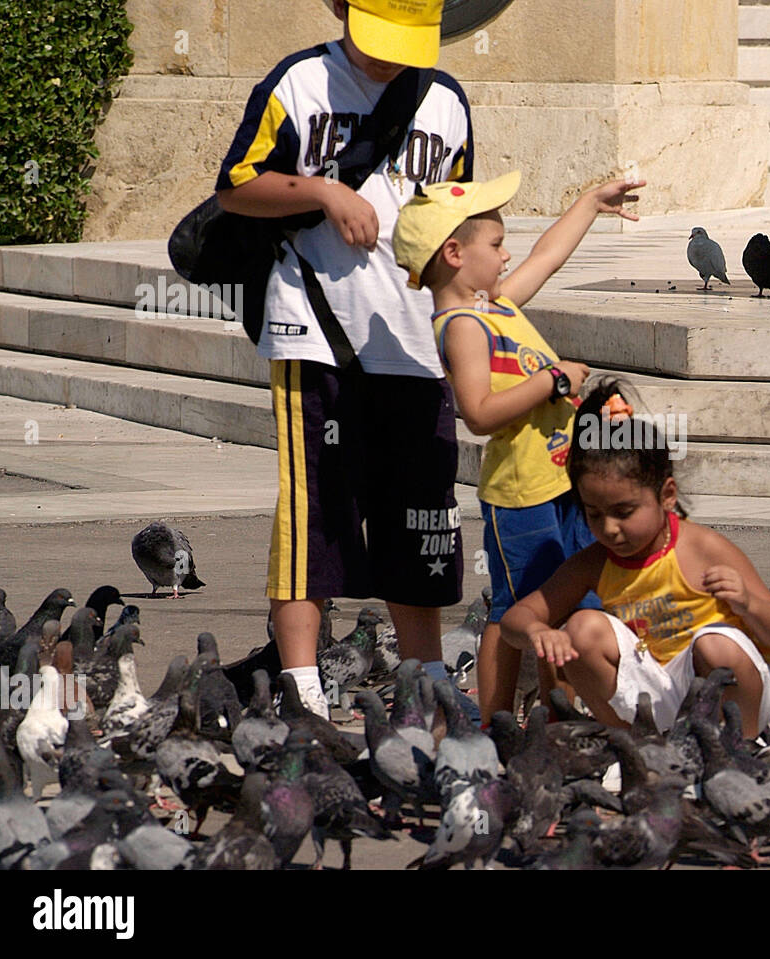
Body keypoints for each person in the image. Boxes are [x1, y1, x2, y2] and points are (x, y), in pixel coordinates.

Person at [215, 0, 473, 718]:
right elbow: (235, 186)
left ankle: (425, 678)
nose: (392, 56)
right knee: (315, 512)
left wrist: (465, 322)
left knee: (422, 514)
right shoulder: (297, 84)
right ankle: (302, 687)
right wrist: (325, 192)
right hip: (314, 330)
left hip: (415, 342)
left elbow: (456, 220)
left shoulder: (447, 99)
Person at [391, 170, 645, 723]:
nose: (508, 257)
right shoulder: (461, 324)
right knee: (516, 611)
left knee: (571, 603)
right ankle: (495, 719)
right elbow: (478, 412)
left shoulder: (497, 306)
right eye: (498, 244)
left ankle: (559, 714)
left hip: (562, 484)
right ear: (454, 253)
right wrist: (551, 382)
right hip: (522, 494)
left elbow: (548, 257)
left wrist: (589, 201)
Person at [498, 380, 770, 738]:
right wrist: (537, 631)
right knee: (580, 630)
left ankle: (737, 748)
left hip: (739, 696)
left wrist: (748, 604)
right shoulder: (595, 562)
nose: (610, 528)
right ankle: (636, 743)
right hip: (657, 694)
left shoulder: (701, 547)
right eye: (594, 514)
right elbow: (515, 619)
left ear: (666, 495)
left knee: (714, 645)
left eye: (624, 511)